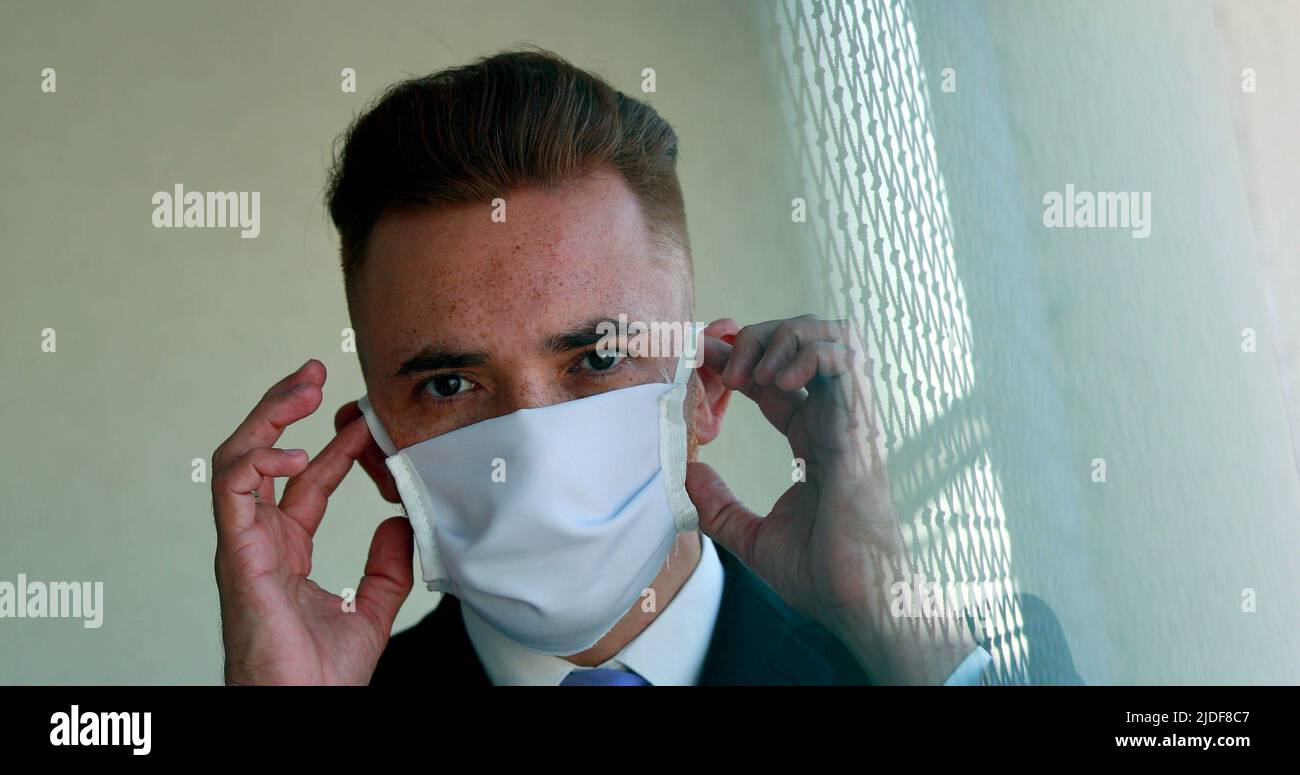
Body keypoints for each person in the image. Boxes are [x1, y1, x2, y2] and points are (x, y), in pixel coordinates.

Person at [210, 49, 1054, 686]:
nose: (532, 446)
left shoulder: (956, 665)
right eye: (449, 384)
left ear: (701, 391)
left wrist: (889, 618)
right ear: (380, 454)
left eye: (598, 355)